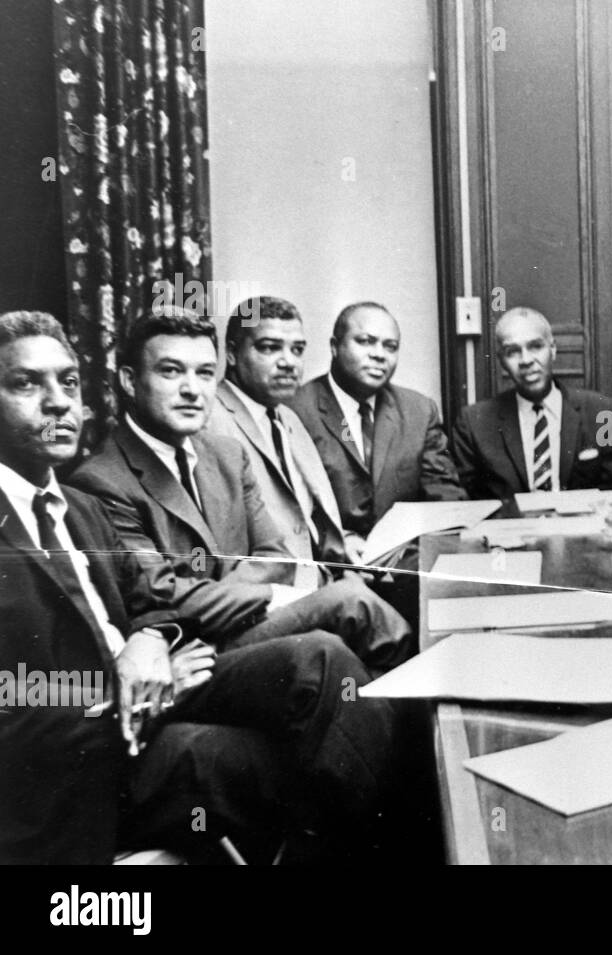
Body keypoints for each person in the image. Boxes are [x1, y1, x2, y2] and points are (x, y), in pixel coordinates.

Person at [0, 310, 395, 864]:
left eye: (67, 382)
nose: (59, 401)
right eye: (25, 383)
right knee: (301, 755)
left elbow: (149, 606)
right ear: (130, 382)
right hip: (85, 760)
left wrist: (150, 640)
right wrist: (125, 689)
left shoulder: (78, 509)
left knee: (323, 663)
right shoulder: (89, 488)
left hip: (159, 697)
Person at [67, 306, 413, 673]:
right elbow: (162, 596)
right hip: (194, 650)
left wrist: (239, 595)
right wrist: (270, 595)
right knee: (350, 603)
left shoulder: (226, 455)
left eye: (203, 373)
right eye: (171, 371)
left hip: (248, 623)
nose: (191, 389)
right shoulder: (100, 481)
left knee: (365, 627)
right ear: (129, 381)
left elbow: (275, 556)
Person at [208, 296, 359, 587]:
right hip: (263, 594)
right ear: (231, 354)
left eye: (297, 350)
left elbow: (306, 514)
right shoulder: (209, 417)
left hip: (320, 580)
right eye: (269, 348)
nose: (288, 362)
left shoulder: (288, 418)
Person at [290, 301, 465, 539]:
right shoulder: (295, 410)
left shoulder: (419, 411)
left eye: (390, 347)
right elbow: (289, 510)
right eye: (364, 341)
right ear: (335, 346)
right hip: (330, 563)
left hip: (405, 562)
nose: (379, 355)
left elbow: (445, 498)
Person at [450, 306, 612, 501]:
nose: (526, 360)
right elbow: (470, 505)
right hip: (510, 529)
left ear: (553, 349)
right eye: (512, 352)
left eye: (536, 346)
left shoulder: (606, 412)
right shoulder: (473, 424)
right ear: (501, 360)